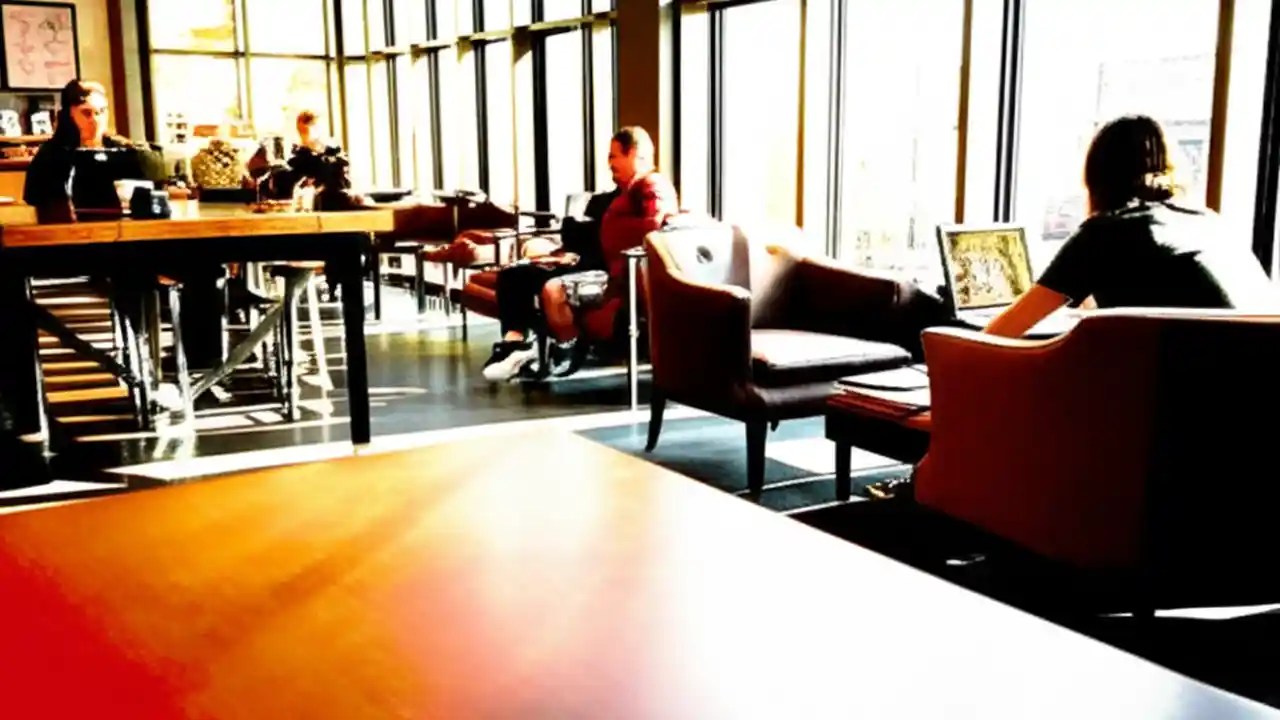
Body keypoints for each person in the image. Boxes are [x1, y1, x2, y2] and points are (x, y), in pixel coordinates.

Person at [985, 115, 1276, 338]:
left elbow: (1000, 335)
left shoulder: (1107, 232)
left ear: (1096, 175)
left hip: (1186, 398)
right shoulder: (1208, 222)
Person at [482, 126, 678, 380]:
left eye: (613, 155)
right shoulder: (619, 197)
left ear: (633, 154)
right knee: (513, 274)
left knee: (549, 287)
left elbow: (650, 229)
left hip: (608, 269)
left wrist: (581, 236)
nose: (609, 164)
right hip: (591, 259)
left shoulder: (649, 188)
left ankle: (561, 351)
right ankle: (515, 344)